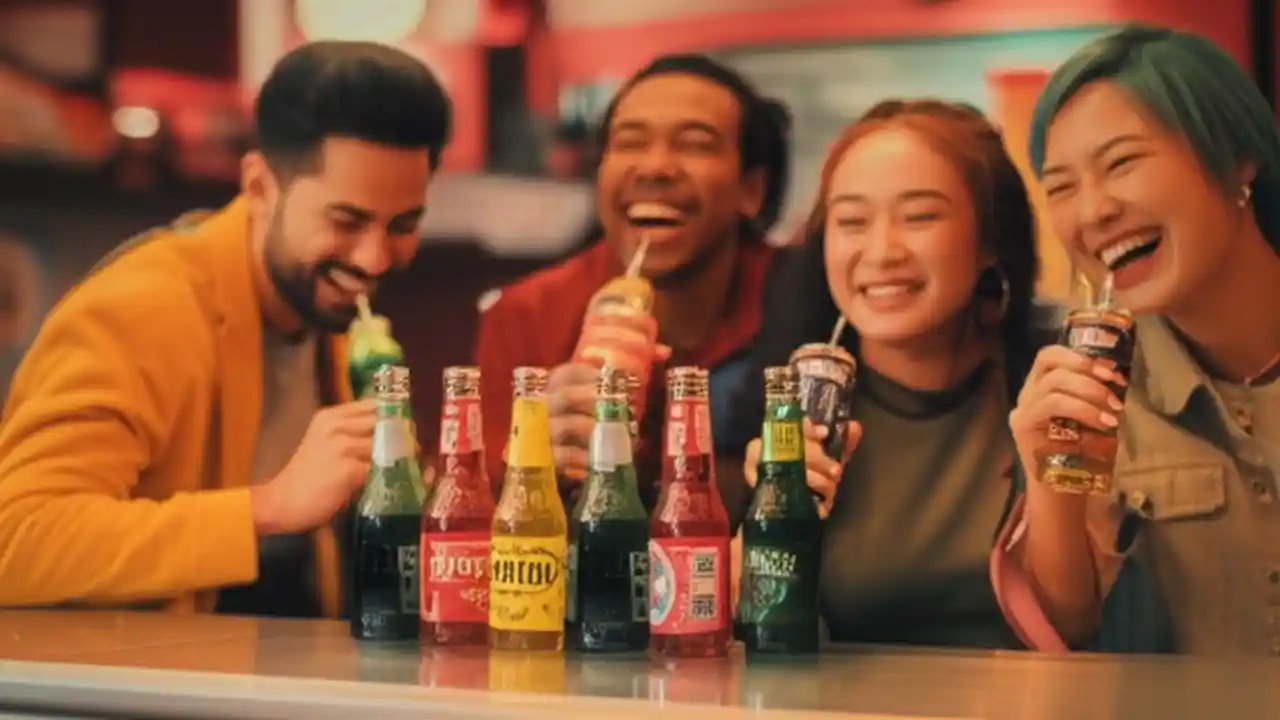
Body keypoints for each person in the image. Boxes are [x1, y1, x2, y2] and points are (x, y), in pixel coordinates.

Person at [0, 41, 453, 616]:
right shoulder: (147, 308)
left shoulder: (328, 313)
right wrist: (269, 507)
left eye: (403, 225)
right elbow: (15, 541)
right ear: (260, 187)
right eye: (346, 221)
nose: (375, 258)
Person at [993, 26, 1280, 655]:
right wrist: (1052, 475)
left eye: (1121, 163)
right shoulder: (1101, 386)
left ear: (1238, 157)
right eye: (1061, 187)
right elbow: (1068, 628)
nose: (1092, 212)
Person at [732, 99, 1048, 647]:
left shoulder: (1049, 386)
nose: (881, 252)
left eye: (920, 216)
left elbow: (1084, 618)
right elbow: (733, 629)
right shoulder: (799, 410)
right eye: (851, 222)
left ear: (990, 239)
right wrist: (772, 515)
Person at [474, 54, 791, 519]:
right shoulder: (529, 313)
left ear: (752, 190)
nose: (656, 167)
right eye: (630, 142)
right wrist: (538, 466)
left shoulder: (799, 295)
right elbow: (475, 511)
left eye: (695, 144)